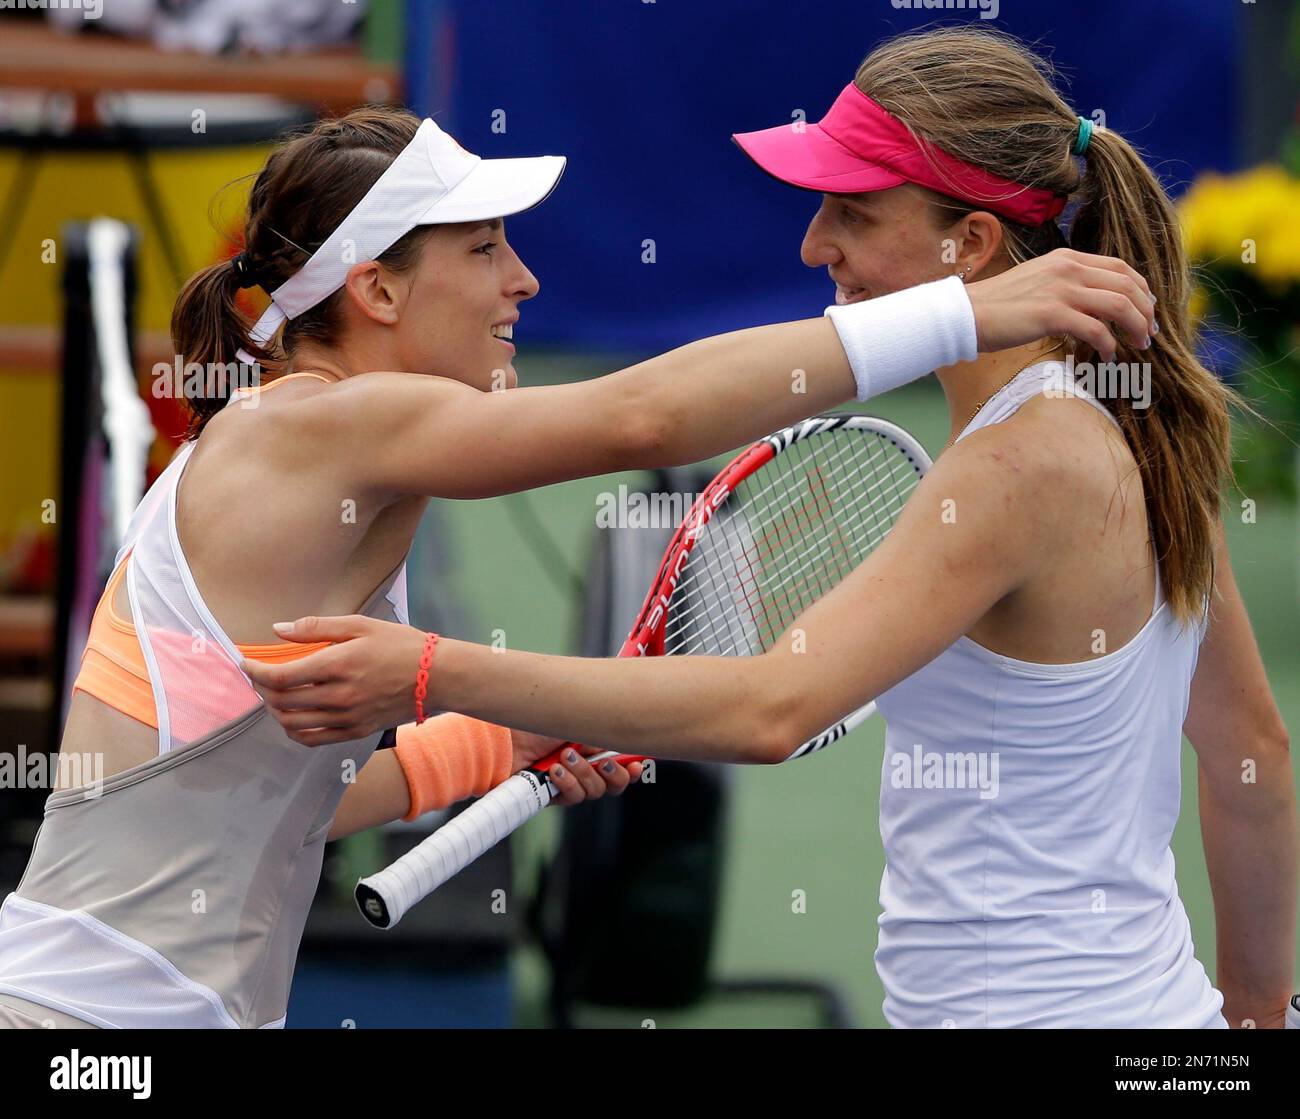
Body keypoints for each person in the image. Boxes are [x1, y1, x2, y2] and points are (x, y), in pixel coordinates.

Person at [0, 94, 1139, 1029]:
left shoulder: (320, 471)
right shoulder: (317, 428)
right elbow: (641, 418)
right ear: (376, 290)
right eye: (485, 249)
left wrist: (517, 736)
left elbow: (295, 803)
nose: (524, 283)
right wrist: (965, 312)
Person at [248, 28, 1296, 1029]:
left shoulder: (1015, 469)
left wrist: (430, 669)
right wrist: (1254, 1010)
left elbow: (769, 708)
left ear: (969, 243)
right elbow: (1251, 749)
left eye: (851, 209)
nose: (812, 243)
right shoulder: (1135, 432)